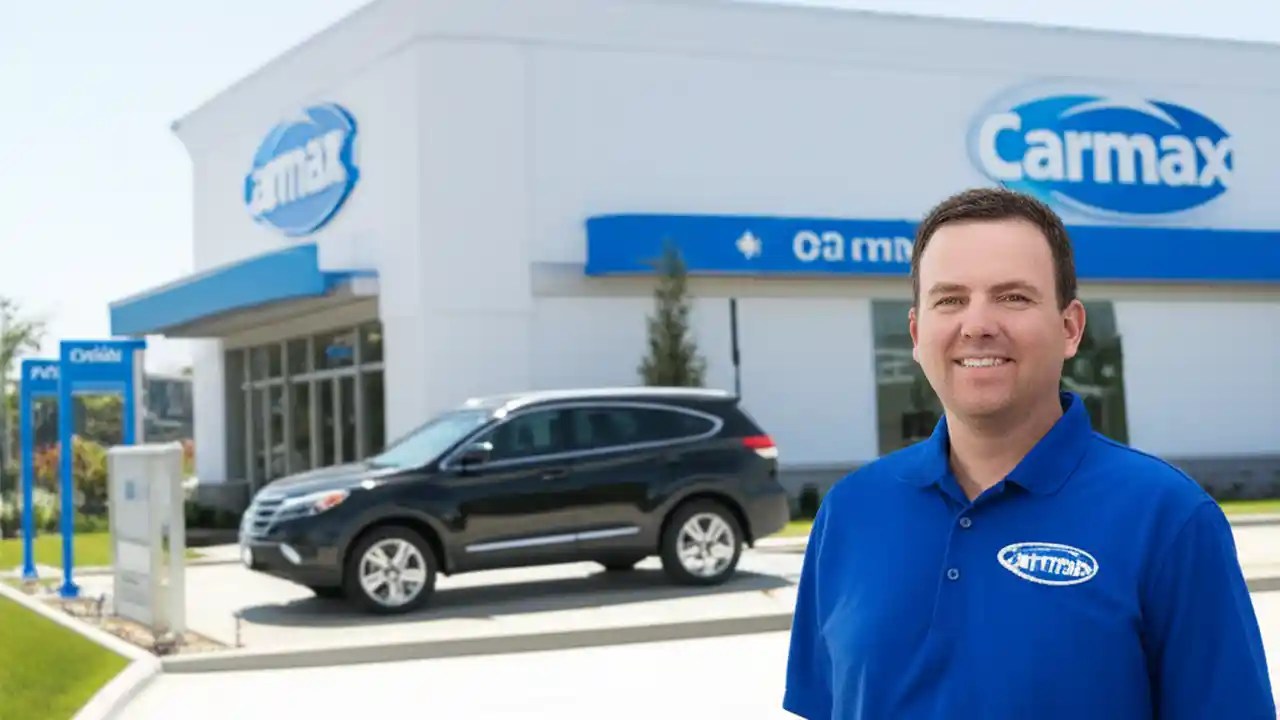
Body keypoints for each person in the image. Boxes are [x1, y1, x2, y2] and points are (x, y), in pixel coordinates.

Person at [782, 187, 1276, 719]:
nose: (977, 325)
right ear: (917, 332)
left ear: (1070, 329)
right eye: (949, 299)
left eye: (1013, 297)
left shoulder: (1169, 519)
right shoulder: (850, 512)